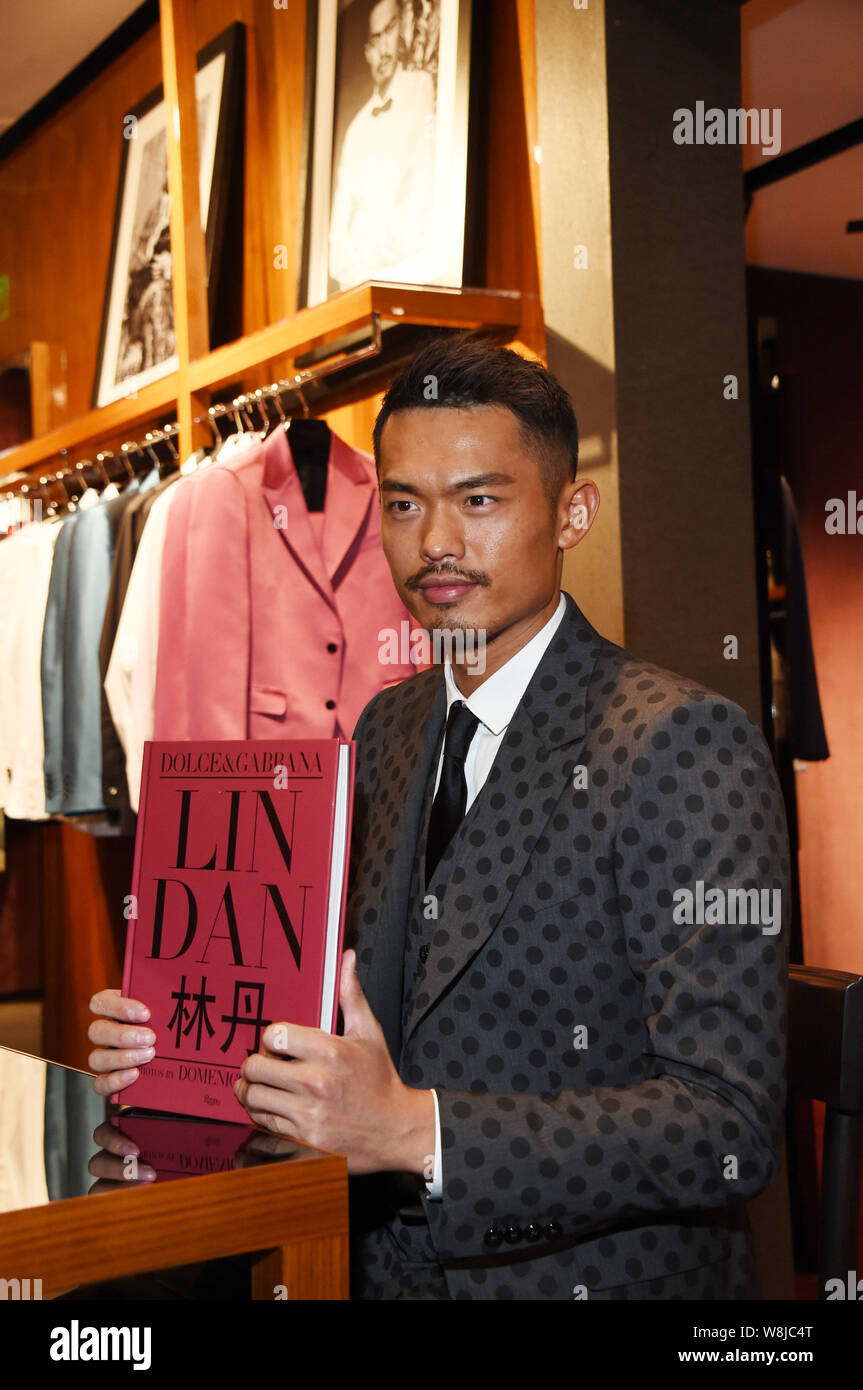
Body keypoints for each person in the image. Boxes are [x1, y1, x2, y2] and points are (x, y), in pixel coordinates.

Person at [89, 335, 790, 1300]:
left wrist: (417, 1131)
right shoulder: (387, 725)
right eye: (405, 503)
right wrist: (184, 1036)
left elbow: (728, 1123)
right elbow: (344, 1006)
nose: (437, 544)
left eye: (480, 499)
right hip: (356, 1265)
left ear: (570, 511)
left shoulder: (679, 742)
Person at [328, 0, 436, 292]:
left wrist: (370, 239)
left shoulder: (422, 89)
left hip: (415, 279)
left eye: (389, 30)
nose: (384, 48)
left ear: (402, 28)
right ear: (367, 52)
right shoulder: (357, 129)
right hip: (362, 290)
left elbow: (420, 217)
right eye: (375, 40)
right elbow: (337, 250)